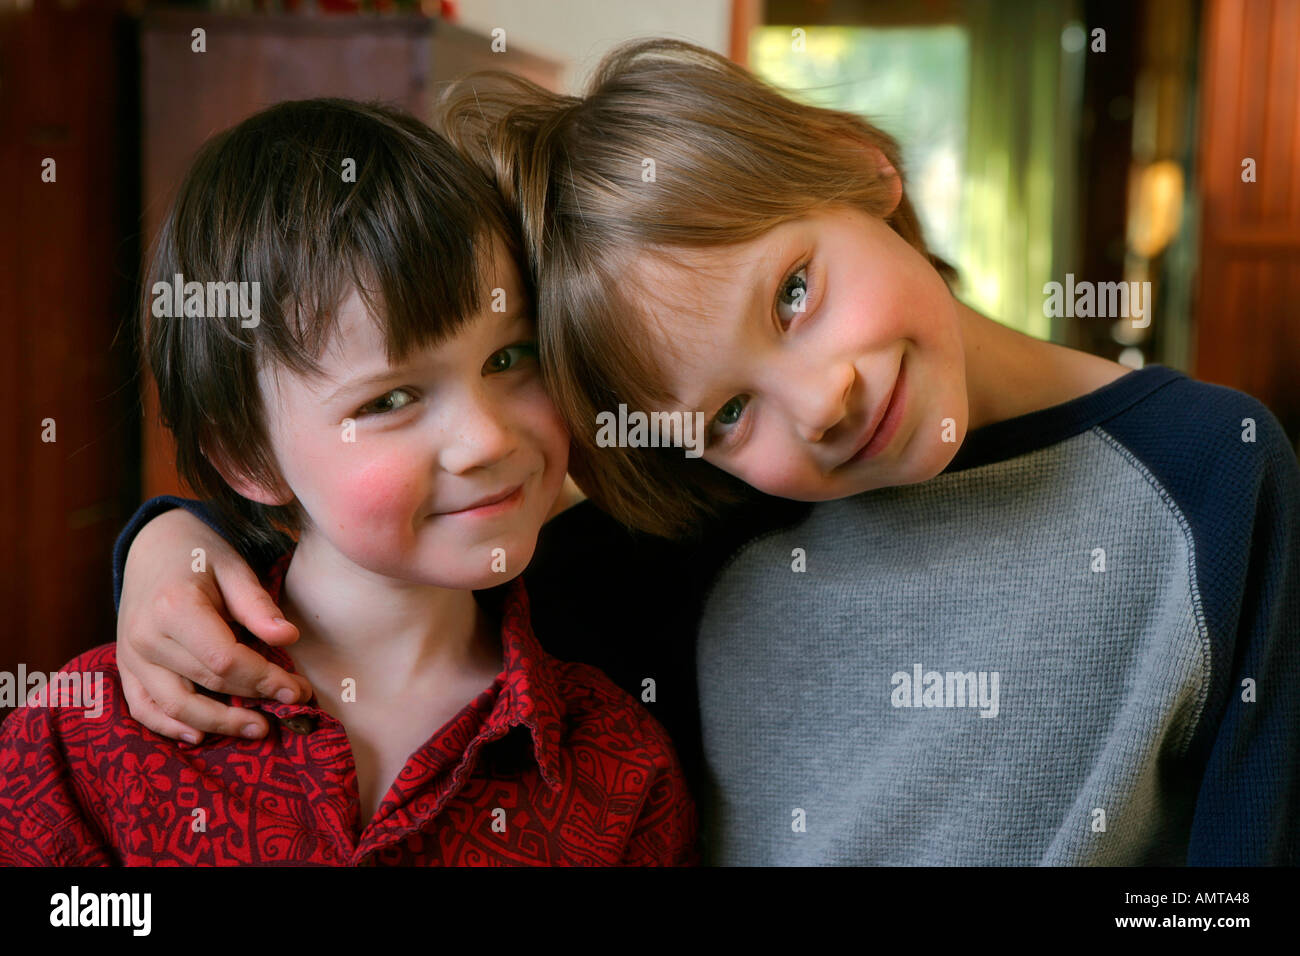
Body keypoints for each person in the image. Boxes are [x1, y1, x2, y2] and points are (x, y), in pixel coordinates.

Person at [107, 41, 1299, 865]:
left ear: (860, 170)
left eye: (792, 292)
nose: (822, 400)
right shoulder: (701, 523)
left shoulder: (1216, 470)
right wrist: (175, 536)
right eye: (725, 412)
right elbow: (399, 570)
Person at [0, 98, 695, 866]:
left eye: (508, 359)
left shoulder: (623, 768)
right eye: (390, 399)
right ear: (246, 457)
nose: (487, 439)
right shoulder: (81, 736)